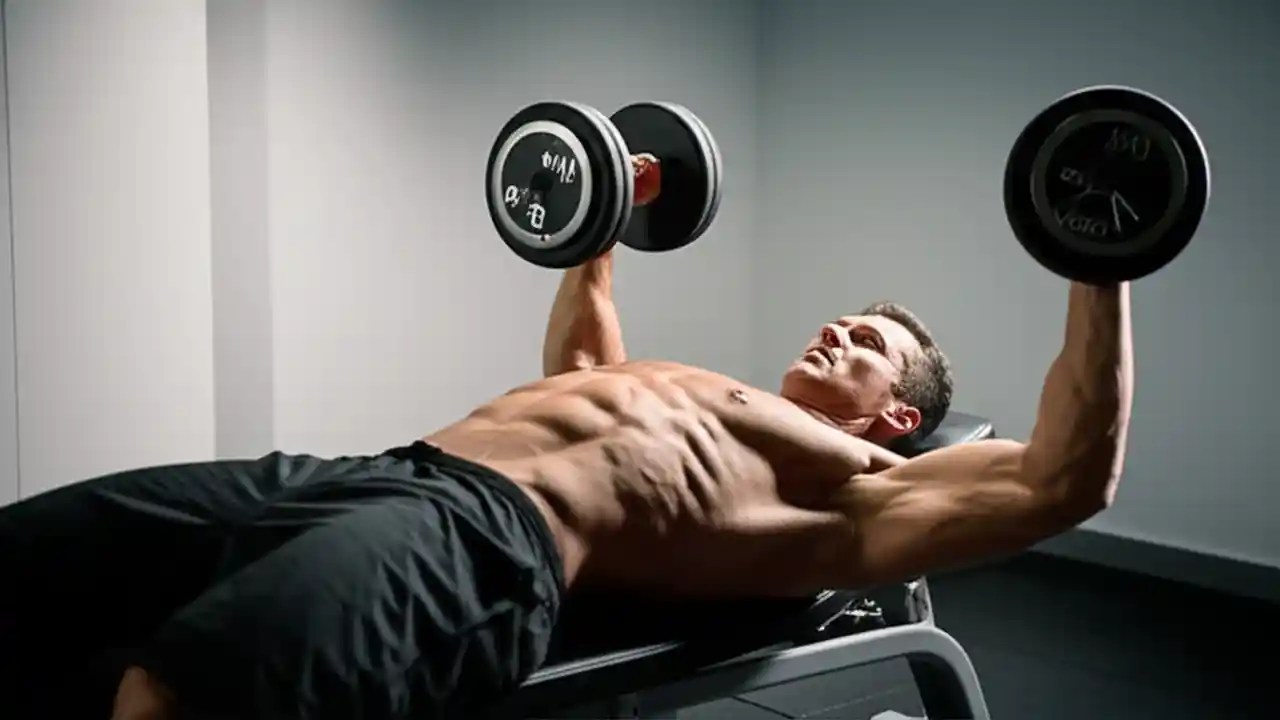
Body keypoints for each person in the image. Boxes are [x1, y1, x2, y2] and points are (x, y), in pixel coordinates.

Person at [1, 241, 1133, 720]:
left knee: (185, 692)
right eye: (843, 320)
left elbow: (1060, 480)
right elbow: (583, 371)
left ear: (898, 416)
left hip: (490, 541)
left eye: (869, 343)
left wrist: (1099, 263)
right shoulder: (706, 390)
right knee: (31, 562)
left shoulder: (854, 489)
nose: (840, 329)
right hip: (368, 474)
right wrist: (598, 229)